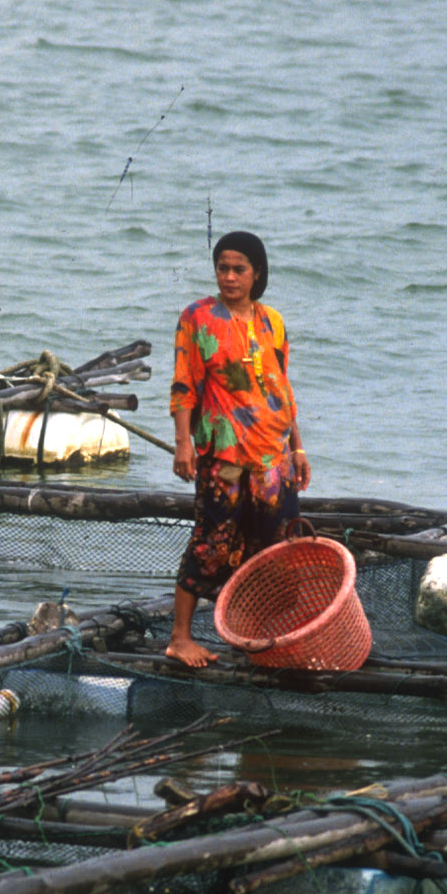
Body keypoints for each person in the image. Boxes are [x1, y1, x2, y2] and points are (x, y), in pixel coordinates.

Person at [166, 230, 311, 667]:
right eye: (222, 268)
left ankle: (255, 640)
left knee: (271, 548)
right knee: (211, 542)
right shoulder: (197, 317)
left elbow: (282, 391)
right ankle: (180, 638)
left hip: (273, 457)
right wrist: (182, 445)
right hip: (222, 456)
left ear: (257, 274)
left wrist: (299, 450)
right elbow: (183, 386)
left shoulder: (273, 322)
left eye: (239, 269)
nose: (229, 277)